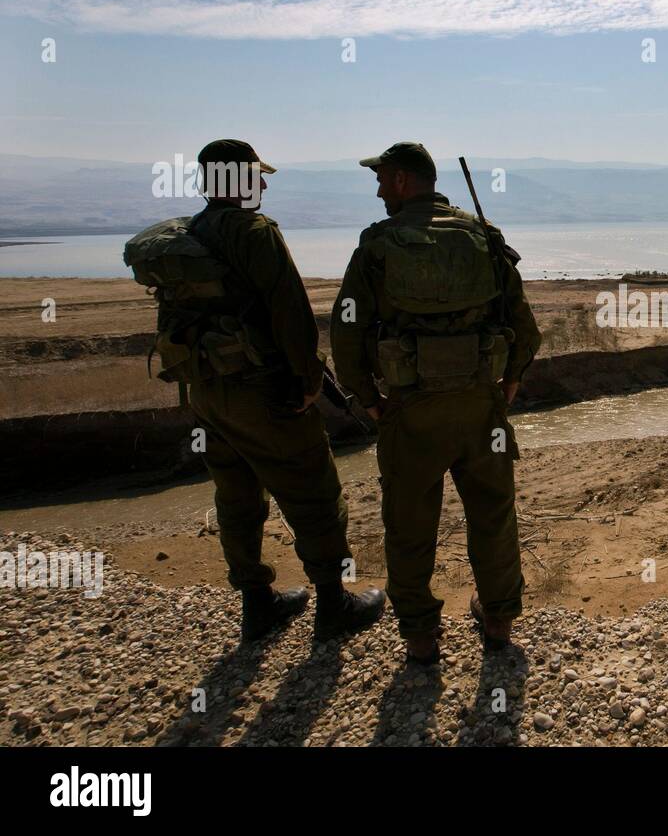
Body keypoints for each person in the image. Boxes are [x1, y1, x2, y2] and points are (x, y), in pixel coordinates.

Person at [129, 139, 385, 644]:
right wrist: (309, 383)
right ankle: (334, 603)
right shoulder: (253, 231)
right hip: (262, 392)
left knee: (237, 494)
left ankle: (257, 603)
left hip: (206, 392)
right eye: (257, 176)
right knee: (313, 490)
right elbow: (290, 312)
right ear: (239, 179)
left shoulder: (190, 235)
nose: (263, 184)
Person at [331, 142, 541, 665]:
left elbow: (347, 329)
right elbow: (525, 328)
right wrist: (509, 384)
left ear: (403, 181)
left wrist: (370, 402)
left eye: (382, 179)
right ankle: (497, 621)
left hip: (410, 410)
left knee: (408, 524)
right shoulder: (482, 237)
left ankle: (421, 637)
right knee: (493, 517)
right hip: (480, 407)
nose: (379, 189)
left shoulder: (377, 245)